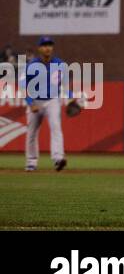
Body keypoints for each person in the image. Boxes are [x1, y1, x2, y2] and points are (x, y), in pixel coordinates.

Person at [25, 36, 70, 172]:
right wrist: (30, 103)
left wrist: (71, 98)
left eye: (49, 45)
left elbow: (65, 85)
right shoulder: (32, 65)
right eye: (44, 45)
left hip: (52, 100)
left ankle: (58, 158)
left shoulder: (60, 64)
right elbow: (25, 87)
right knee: (32, 132)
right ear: (39, 48)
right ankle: (31, 162)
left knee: (56, 127)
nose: (47, 47)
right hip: (36, 101)